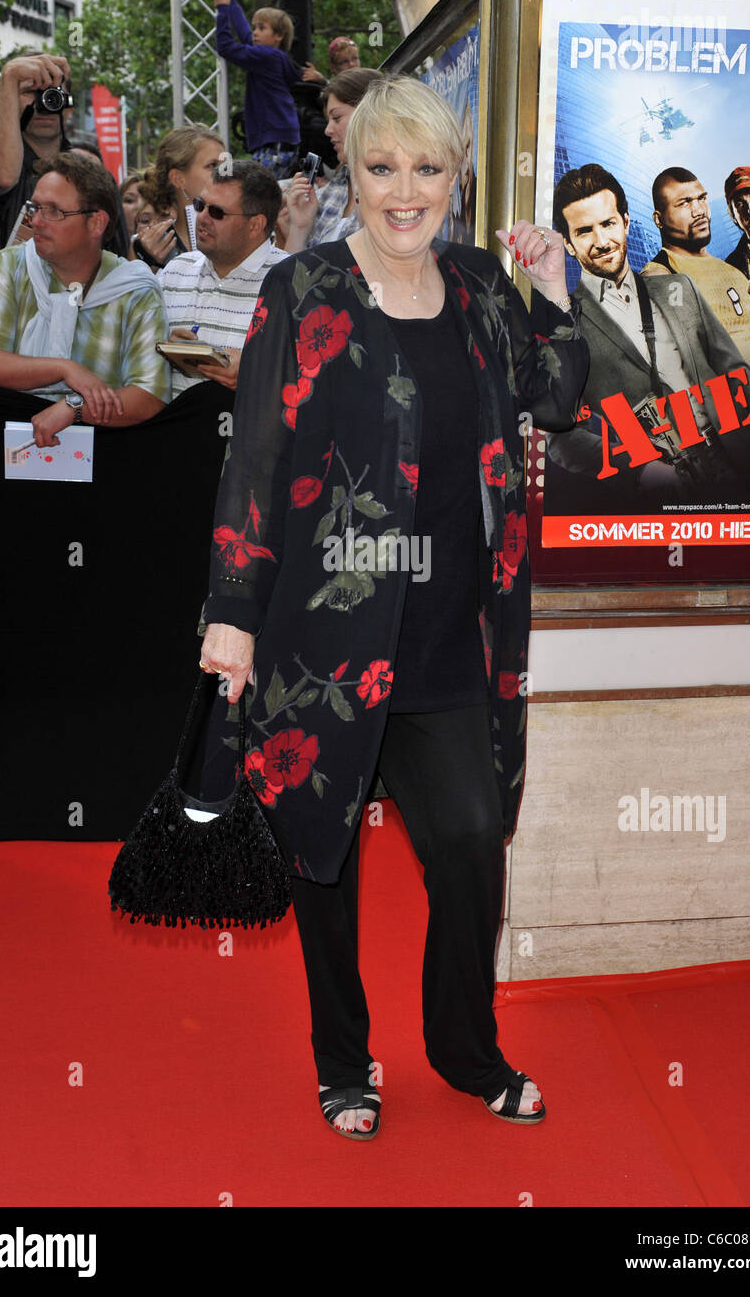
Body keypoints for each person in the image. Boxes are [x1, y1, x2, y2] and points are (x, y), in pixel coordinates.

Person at [197, 75, 589, 1137]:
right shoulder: (304, 288)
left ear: (454, 181)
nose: (404, 192)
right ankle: (343, 1063)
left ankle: (465, 1051)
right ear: (351, 179)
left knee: (469, 840)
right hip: (323, 629)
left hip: (453, 629)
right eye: (381, 169)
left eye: (427, 170)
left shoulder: (477, 284)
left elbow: (555, 394)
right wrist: (232, 608)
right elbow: (260, 459)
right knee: (322, 852)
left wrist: (552, 284)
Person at [546, 163, 750, 497]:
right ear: (567, 243)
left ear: (625, 222)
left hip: (737, 461)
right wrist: (641, 470)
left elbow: (735, 370)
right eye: (584, 231)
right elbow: (562, 439)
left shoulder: (679, 287)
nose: (602, 241)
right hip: (663, 486)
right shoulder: (566, 326)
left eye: (608, 224)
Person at [0, 151, 170, 447]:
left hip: (106, 456)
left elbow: (149, 397)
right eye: (35, 208)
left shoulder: (135, 290)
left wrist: (75, 409)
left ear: (96, 223)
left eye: (54, 211)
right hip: (3, 448)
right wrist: (63, 369)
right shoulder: (11, 264)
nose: (37, 221)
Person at [156, 160, 286, 396]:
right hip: (169, 426)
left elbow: (320, 373)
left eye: (217, 212)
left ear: (255, 225)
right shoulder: (174, 272)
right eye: (200, 205)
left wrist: (255, 371)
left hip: (247, 429)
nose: (203, 217)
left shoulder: (292, 281)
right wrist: (166, 348)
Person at [642, 166, 750, 383]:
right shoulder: (660, 274)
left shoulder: (733, 270)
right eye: (684, 203)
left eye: (702, 198)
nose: (699, 210)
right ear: (659, 219)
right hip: (734, 408)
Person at [0, 50, 76, 250]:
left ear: (68, 107)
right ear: (11, 103)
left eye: (53, 93)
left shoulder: (89, 171)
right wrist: (10, 75)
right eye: (30, 92)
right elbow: (2, 178)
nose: (44, 103)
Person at [283, 68, 383, 253]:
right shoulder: (325, 195)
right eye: (328, 120)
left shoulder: (397, 192)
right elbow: (292, 278)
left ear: (371, 113)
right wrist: (299, 228)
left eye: (336, 118)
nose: (328, 130)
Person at [213, 0, 300, 180]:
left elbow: (225, 46)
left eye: (261, 28)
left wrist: (223, 9)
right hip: (278, 139)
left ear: (279, 36)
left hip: (274, 142)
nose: (255, 32)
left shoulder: (266, 56)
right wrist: (232, 1)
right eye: (255, 27)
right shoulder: (272, 56)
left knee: (261, 195)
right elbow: (245, 36)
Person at [133, 125, 225, 270]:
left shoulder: (243, 230)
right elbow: (136, 292)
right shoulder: (151, 245)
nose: (225, 173)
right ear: (178, 179)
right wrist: (149, 262)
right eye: (212, 165)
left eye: (226, 165)